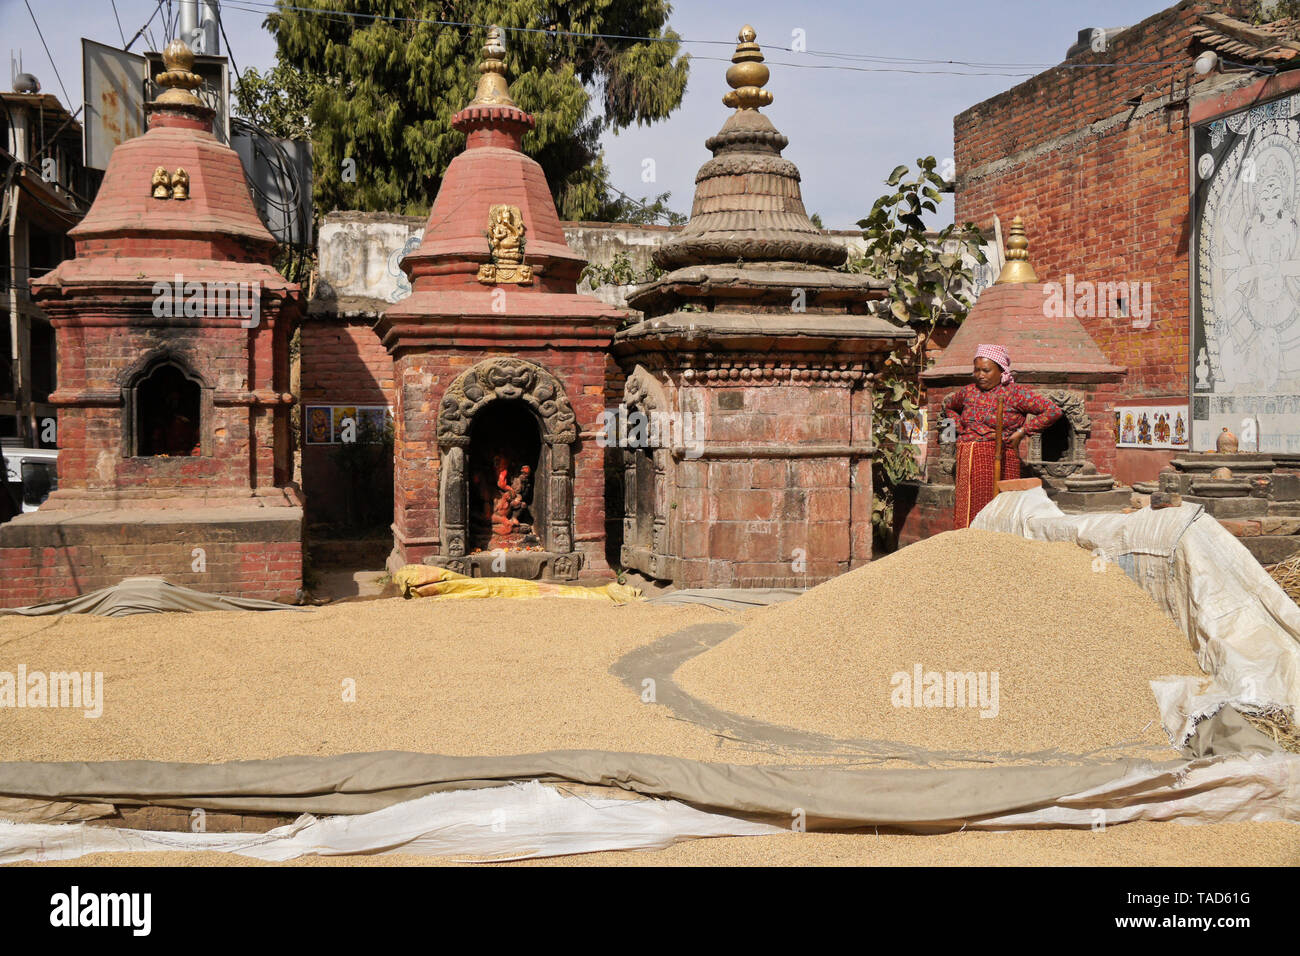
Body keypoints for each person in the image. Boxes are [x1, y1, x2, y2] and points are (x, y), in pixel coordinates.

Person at [941, 344, 1063, 529]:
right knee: (966, 510)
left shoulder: (1015, 394)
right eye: (976, 370)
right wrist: (959, 429)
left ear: (1001, 371)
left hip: (999, 458)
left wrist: (1023, 432)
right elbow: (949, 406)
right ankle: (965, 547)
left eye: (986, 370)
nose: (980, 375)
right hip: (967, 461)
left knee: (995, 509)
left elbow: (1052, 411)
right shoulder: (968, 392)